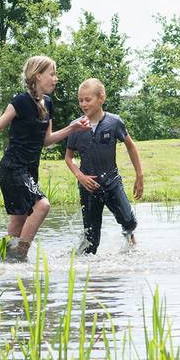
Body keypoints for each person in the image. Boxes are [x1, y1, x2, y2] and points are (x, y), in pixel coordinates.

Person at [0, 55, 91, 263]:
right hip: (13, 168)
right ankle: (20, 255)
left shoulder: (48, 103)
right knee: (43, 205)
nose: (56, 78)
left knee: (15, 229)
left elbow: (46, 140)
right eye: (52, 74)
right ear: (38, 76)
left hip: (29, 170)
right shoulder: (20, 101)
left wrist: (72, 128)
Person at [64, 78, 144, 255]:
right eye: (80, 100)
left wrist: (139, 176)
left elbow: (131, 146)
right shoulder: (75, 127)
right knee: (91, 242)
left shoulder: (114, 122)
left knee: (130, 222)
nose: (83, 104)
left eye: (88, 99)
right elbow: (69, 157)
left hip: (112, 182)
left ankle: (131, 244)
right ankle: (79, 264)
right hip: (88, 186)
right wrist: (80, 176)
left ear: (101, 98)